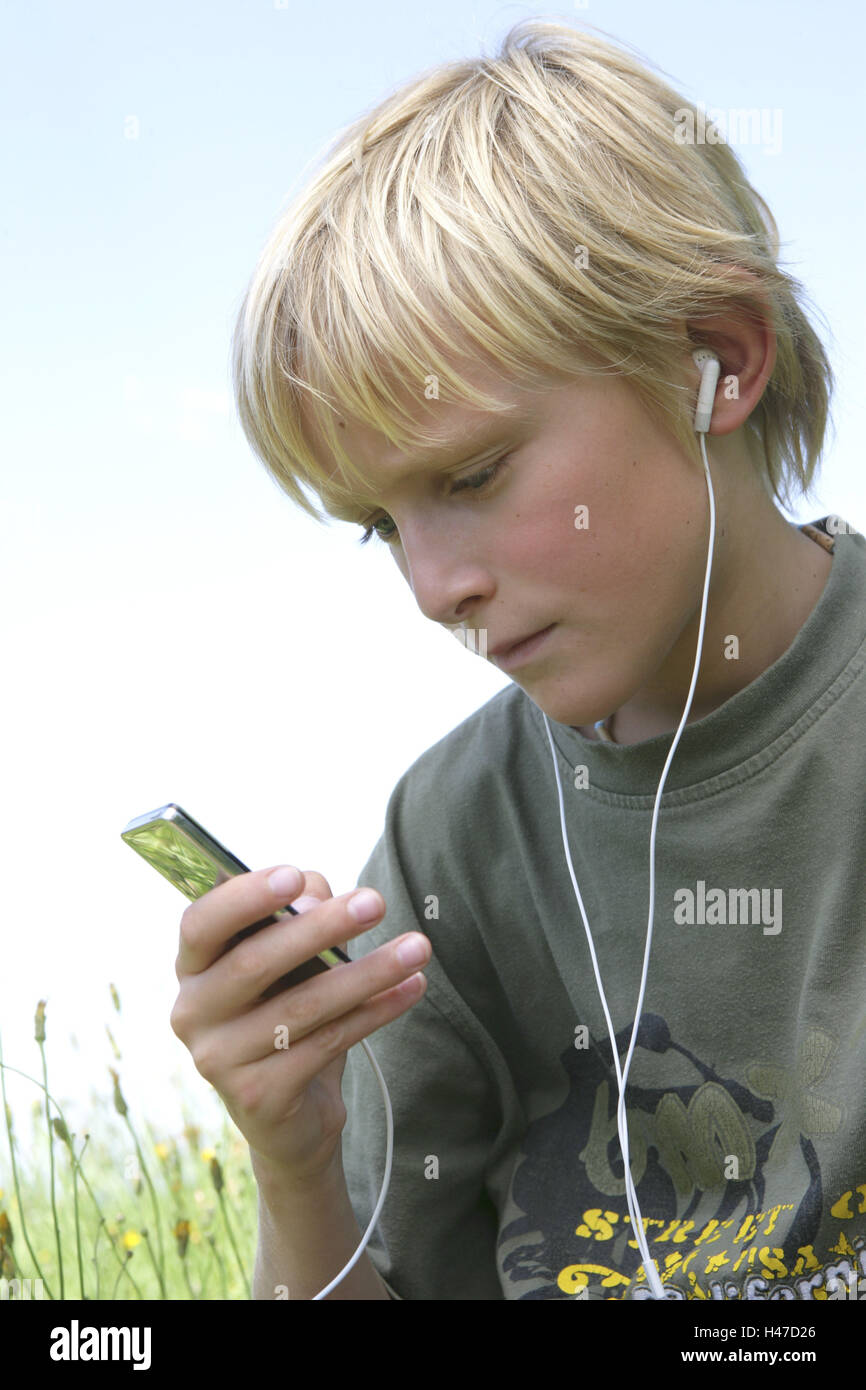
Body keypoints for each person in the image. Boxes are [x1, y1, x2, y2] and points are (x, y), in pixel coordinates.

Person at [172, 19, 866, 1300]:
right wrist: (296, 1162)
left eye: (475, 474)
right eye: (380, 524)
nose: (436, 587)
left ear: (719, 358)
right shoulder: (449, 842)